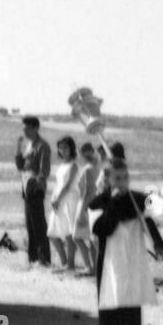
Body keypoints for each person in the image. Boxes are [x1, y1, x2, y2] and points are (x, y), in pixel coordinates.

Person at [89, 157, 163, 325]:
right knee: (113, 301)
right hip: (111, 262)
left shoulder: (139, 199)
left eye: (125, 177)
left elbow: (149, 221)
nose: (122, 182)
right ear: (107, 179)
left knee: (130, 301)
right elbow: (101, 229)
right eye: (117, 178)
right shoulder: (98, 202)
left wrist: (158, 244)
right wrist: (113, 203)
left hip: (132, 258)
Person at [14, 115, 51, 266]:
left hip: (35, 188)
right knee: (30, 225)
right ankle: (33, 258)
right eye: (23, 129)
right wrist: (18, 148)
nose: (24, 131)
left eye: (27, 128)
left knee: (38, 225)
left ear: (35, 128)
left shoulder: (42, 146)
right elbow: (21, 166)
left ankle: (43, 259)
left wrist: (36, 183)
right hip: (26, 188)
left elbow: (44, 170)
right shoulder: (29, 145)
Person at [47, 136, 80, 270]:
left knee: (69, 233)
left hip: (69, 199)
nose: (62, 150)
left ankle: (70, 264)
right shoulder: (61, 165)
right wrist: (54, 198)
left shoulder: (74, 165)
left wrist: (59, 198)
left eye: (65, 147)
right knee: (52, 233)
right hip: (58, 199)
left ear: (71, 148)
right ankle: (64, 262)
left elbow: (68, 184)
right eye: (60, 148)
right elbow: (59, 183)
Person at [72, 143, 101, 275]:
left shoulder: (88, 169)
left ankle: (89, 266)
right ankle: (94, 266)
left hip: (85, 204)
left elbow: (87, 191)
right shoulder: (96, 167)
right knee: (90, 238)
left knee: (77, 237)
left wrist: (82, 211)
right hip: (94, 204)